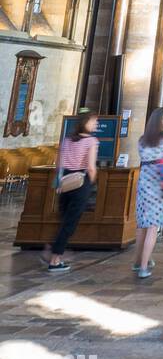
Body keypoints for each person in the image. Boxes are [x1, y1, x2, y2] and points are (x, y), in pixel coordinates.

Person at [44, 113, 99, 272]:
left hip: (65, 182)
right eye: (94, 122)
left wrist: (59, 182)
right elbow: (90, 167)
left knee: (64, 219)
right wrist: (91, 182)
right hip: (80, 182)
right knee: (70, 222)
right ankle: (54, 258)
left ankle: (53, 250)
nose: (96, 125)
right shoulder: (91, 141)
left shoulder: (67, 140)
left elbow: (59, 164)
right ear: (85, 123)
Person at [134, 108, 163, 278]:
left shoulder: (142, 140)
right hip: (160, 183)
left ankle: (137, 261)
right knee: (153, 227)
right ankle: (144, 267)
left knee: (142, 225)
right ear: (162, 121)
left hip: (145, 182)